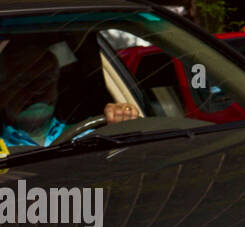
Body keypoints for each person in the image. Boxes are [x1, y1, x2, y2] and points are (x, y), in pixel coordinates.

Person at [0, 40, 141, 149]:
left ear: (57, 87)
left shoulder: (92, 135)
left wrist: (121, 125)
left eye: (45, 81)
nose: (37, 90)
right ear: (3, 91)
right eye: (24, 82)